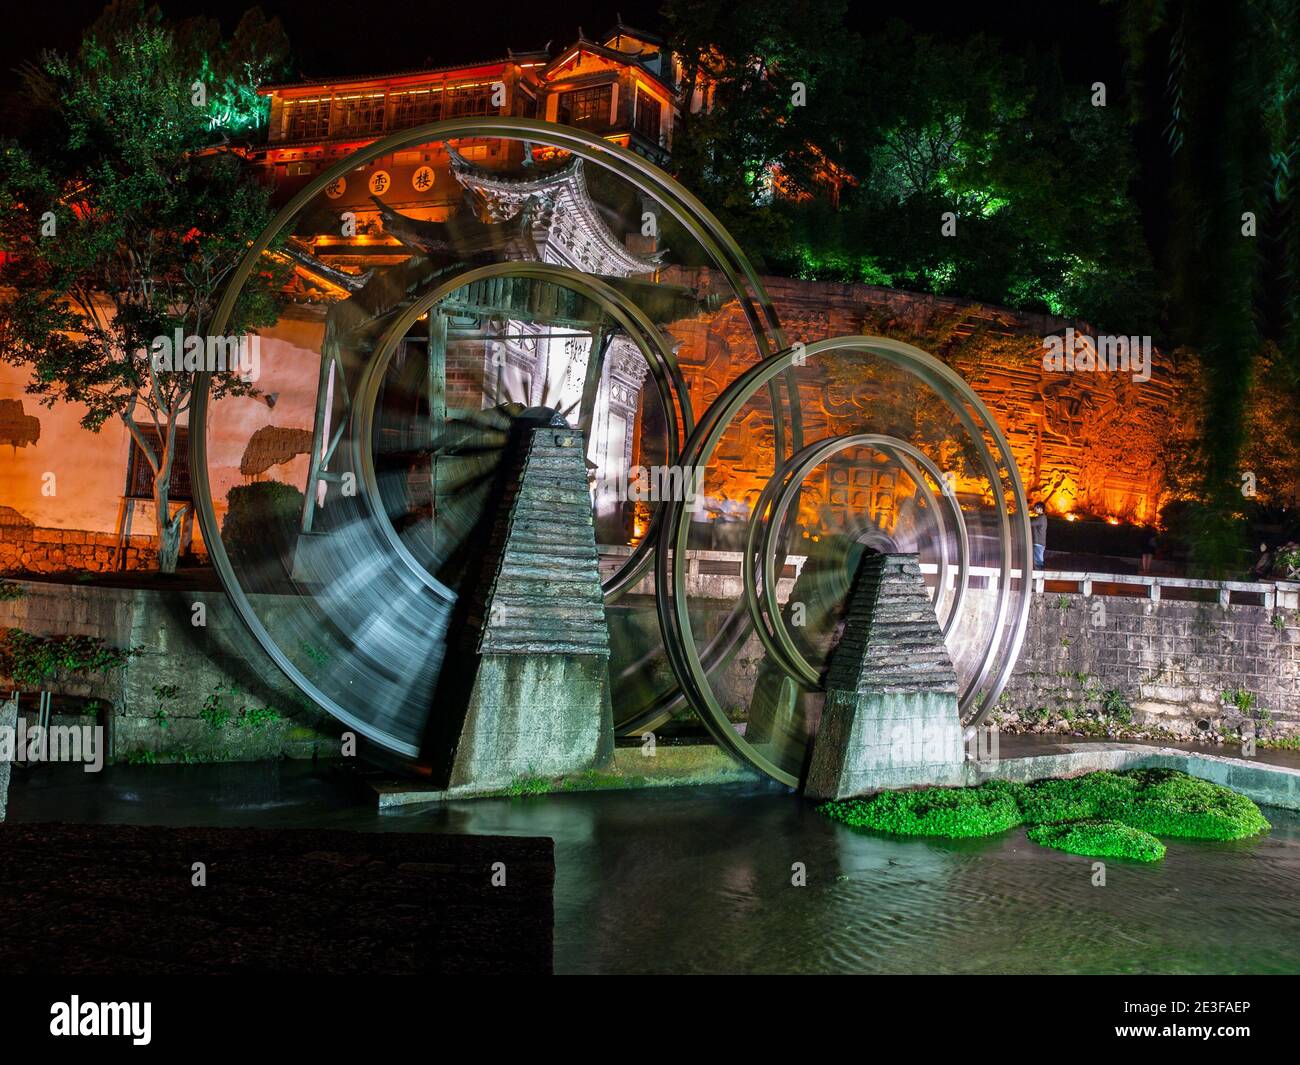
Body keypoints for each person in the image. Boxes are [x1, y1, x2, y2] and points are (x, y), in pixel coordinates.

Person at [1031, 503, 1047, 569]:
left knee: (1037, 562)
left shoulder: (1041, 518)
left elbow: (1031, 524)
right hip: (1040, 543)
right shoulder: (1043, 518)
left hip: (1038, 543)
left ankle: (1039, 574)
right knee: (1039, 560)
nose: (1035, 509)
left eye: (1036, 508)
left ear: (1040, 509)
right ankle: (1040, 573)